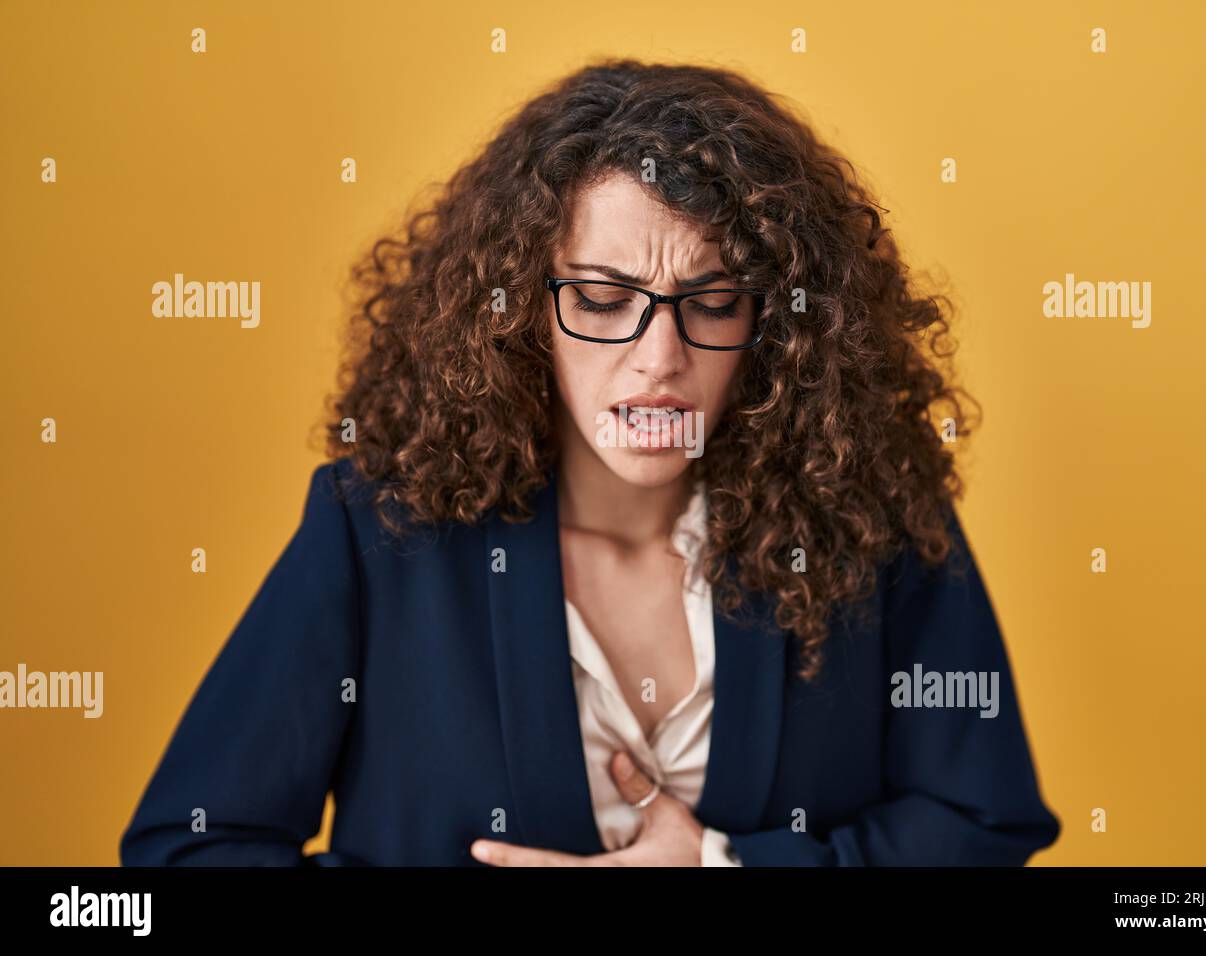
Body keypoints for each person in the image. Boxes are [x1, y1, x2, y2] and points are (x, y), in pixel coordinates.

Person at [120, 58, 1060, 866]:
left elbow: (984, 821)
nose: (660, 360)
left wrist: (726, 866)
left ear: (774, 327)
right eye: (605, 300)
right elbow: (189, 847)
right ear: (521, 312)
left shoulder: (869, 519)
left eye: (713, 302)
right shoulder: (376, 535)